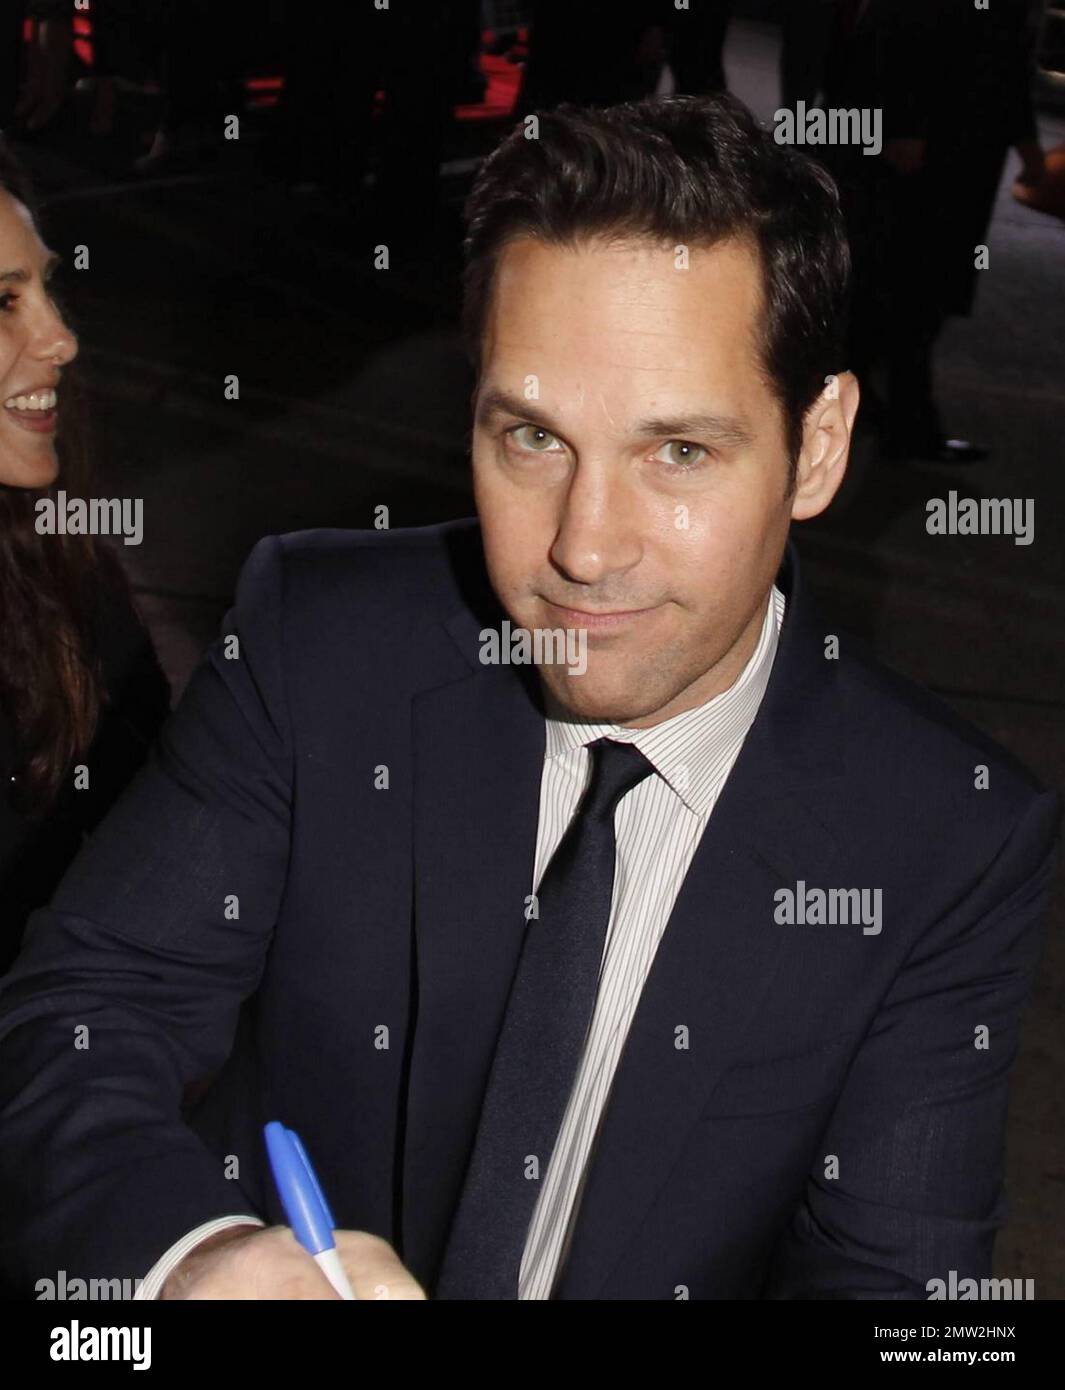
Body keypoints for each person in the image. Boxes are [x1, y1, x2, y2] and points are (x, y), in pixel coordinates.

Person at [0, 94, 1058, 1301]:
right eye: (532, 438)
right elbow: (82, 1011)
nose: (584, 549)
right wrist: (188, 1264)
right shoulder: (322, 637)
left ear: (816, 449)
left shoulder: (947, 836)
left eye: (678, 452)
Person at [0, 141, 170, 980]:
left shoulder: (55, 537)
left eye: (47, 288)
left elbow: (159, 769)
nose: (60, 339)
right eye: (3, 302)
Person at [821, 0, 1046, 464]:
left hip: (935, 145)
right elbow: (922, 34)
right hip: (936, 154)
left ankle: (871, 407)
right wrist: (907, 125)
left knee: (890, 288)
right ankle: (908, 426)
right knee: (914, 294)